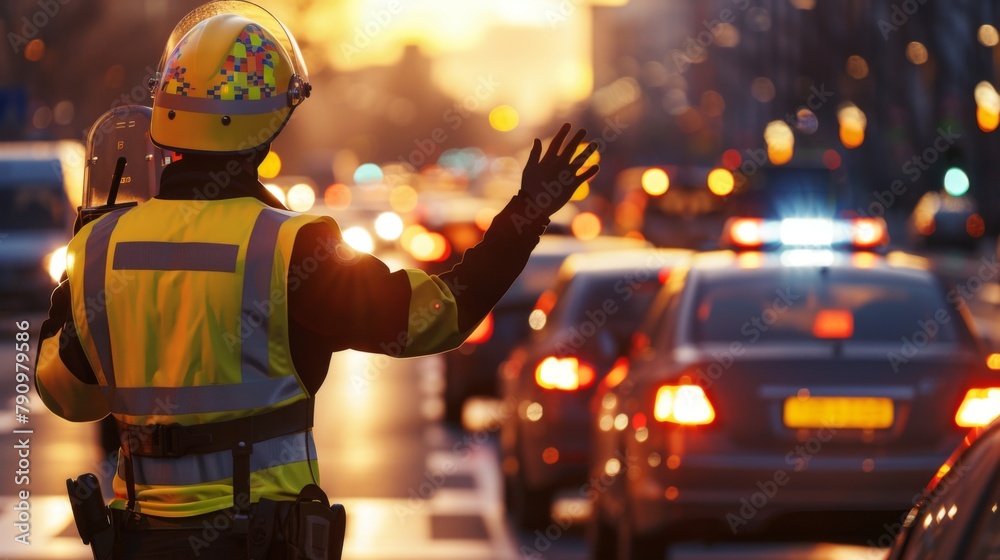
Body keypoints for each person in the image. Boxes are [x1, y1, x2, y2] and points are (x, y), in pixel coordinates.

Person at [35, 1, 598, 558]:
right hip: (260, 544)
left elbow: (68, 396)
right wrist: (527, 213)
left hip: (139, 544)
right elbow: (441, 315)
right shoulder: (291, 248)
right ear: (266, 128)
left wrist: (70, 292)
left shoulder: (100, 247)